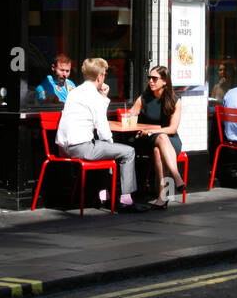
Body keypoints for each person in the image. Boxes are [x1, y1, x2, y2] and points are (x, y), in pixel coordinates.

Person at [56, 57, 146, 213]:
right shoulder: (94, 96)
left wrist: (103, 98)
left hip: (65, 147)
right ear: (100, 77)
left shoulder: (74, 92)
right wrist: (111, 144)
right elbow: (103, 129)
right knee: (128, 152)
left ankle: (104, 196)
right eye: (104, 74)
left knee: (106, 150)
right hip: (82, 148)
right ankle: (126, 200)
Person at [129, 65, 186, 208]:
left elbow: (172, 129)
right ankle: (177, 178)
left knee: (159, 147)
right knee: (160, 139)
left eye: (155, 78)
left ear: (165, 81)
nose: (151, 81)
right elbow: (130, 115)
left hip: (169, 138)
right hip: (146, 138)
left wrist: (154, 131)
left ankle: (162, 198)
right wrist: (132, 116)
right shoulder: (144, 98)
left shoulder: (174, 99)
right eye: (149, 78)